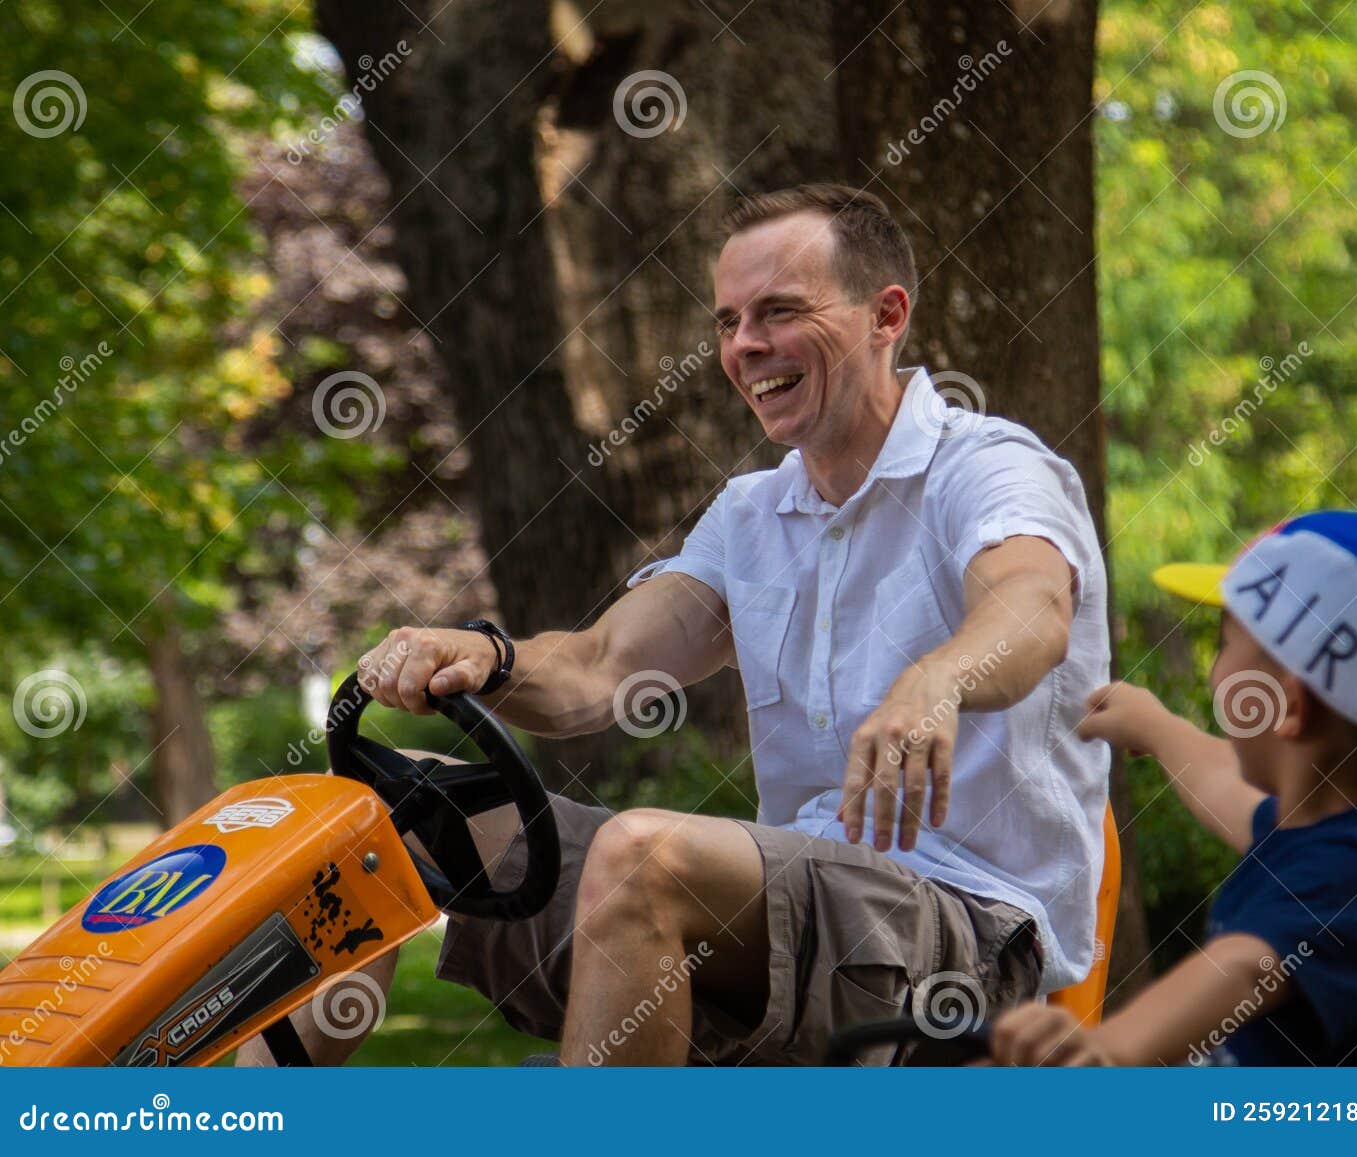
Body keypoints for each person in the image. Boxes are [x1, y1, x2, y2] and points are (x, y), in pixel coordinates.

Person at [241, 183, 1110, 1066]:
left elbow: (1032, 605)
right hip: (799, 918)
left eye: (779, 312)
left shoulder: (988, 467)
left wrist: (941, 677)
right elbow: (598, 666)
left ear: (887, 315)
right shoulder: (751, 515)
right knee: (379, 806)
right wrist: (486, 657)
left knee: (643, 854)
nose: (745, 346)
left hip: (970, 935)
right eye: (729, 320)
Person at [990, 510, 1357, 1066]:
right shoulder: (1334, 834)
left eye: (1225, 641)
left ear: (1289, 707)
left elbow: (1246, 965)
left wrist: (1106, 1048)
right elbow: (1222, 785)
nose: (1213, 668)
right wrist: (1157, 728)